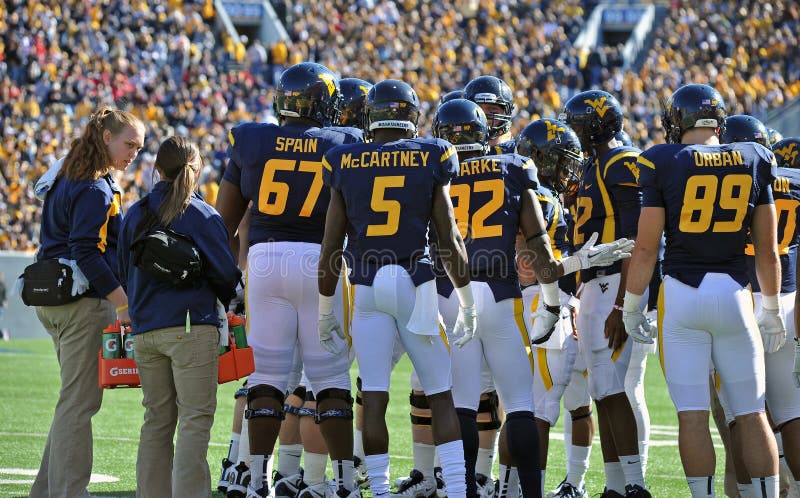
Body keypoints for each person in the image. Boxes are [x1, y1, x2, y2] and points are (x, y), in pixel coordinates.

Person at [433, 101, 632, 498]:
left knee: (464, 404)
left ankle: (461, 489)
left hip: (454, 295)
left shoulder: (435, 172)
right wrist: (571, 272)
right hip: (506, 296)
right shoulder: (513, 170)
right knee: (522, 405)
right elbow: (537, 257)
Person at [622, 83, 784, 498]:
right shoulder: (753, 157)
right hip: (735, 295)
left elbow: (644, 249)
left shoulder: (662, 159)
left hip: (682, 295)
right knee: (751, 413)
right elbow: (767, 250)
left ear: (678, 121)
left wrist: (632, 306)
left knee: (692, 417)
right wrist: (769, 308)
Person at [318, 79, 473, 498]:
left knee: (373, 393)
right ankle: (457, 489)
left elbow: (331, 246)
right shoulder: (431, 155)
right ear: (411, 115)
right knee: (440, 391)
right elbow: (449, 239)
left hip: (366, 288)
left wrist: (324, 309)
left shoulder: (343, 159)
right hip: (412, 283)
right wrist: (467, 300)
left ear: (373, 114)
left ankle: (382, 491)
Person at [215, 61, 363, 498]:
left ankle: (257, 478)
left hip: (264, 260)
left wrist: (230, 283)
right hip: (322, 262)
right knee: (330, 380)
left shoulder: (252, 138)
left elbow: (224, 223)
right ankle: (344, 484)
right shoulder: (345, 141)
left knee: (266, 378)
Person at [29, 106, 145, 498]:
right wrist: (123, 303)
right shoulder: (96, 186)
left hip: (54, 297)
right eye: (129, 144)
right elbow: (86, 251)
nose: (134, 153)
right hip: (81, 302)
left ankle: (46, 491)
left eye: (139, 147)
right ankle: (69, 492)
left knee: (71, 403)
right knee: (79, 406)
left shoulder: (66, 174)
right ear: (106, 138)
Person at [118, 136, 241, 497]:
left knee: (156, 420)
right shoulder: (203, 215)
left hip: (145, 329)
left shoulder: (135, 214)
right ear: (197, 168)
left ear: (158, 168)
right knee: (194, 420)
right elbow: (226, 275)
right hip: (190, 326)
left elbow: (122, 271)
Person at [561, 90, 650, 498]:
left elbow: (635, 237)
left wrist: (623, 304)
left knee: (614, 389)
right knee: (601, 391)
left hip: (614, 280)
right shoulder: (594, 164)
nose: (572, 132)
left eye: (577, 124)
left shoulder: (621, 161)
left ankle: (634, 485)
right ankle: (615, 486)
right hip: (595, 282)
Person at [515, 118, 591, 498]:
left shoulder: (549, 197)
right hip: (546, 306)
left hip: (563, 306)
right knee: (539, 410)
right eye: (563, 163)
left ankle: (571, 483)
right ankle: (530, 490)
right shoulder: (540, 197)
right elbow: (528, 263)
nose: (568, 171)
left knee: (575, 404)